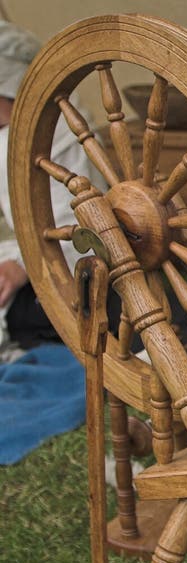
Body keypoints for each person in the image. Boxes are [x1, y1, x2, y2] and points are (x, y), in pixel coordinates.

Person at [0, 22, 104, 356]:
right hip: (34, 252)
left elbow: (77, 227)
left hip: (77, 260)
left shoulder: (55, 131)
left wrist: (20, 267)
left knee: (28, 311)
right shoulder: (7, 137)